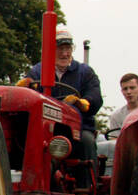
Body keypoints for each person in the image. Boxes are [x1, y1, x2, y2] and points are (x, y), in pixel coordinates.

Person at [25, 28, 102, 181]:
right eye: (60, 49)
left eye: (68, 49)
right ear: (50, 50)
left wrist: (83, 102)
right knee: (25, 141)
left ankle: (87, 189)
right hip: (45, 127)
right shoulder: (37, 71)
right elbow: (27, 90)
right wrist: (24, 87)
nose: (64, 53)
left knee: (87, 141)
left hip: (78, 128)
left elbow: (95, 97)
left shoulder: (85, 72)